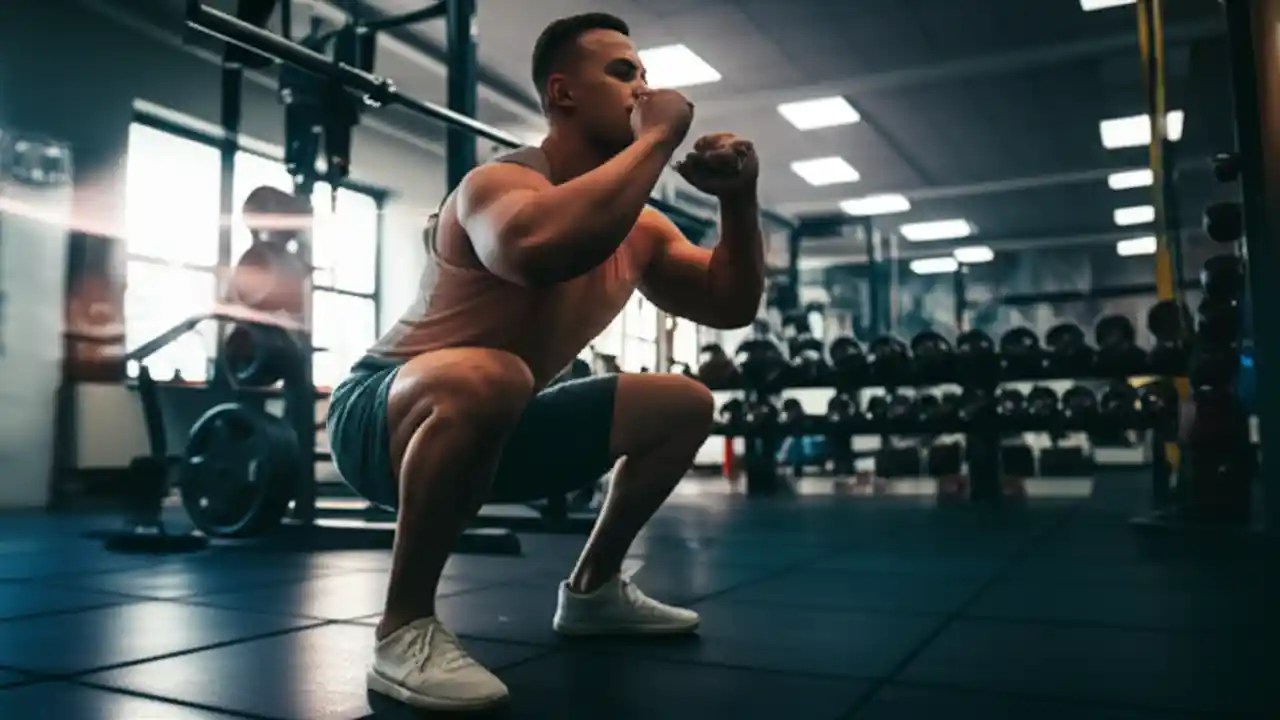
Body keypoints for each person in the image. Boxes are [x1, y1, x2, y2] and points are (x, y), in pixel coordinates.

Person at [325, 11, 765, 712]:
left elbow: (729, 303)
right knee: (493, 374)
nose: (642, 87)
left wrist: (739, 201)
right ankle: (402, 628)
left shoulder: (640, 227)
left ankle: (593, 591)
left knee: (684, 401)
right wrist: (658, 136)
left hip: (504, 415)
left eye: (644, 76)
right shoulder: (498, 185)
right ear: (562, 93)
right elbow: (535, 254)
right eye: (623, 73)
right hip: (380, 418)